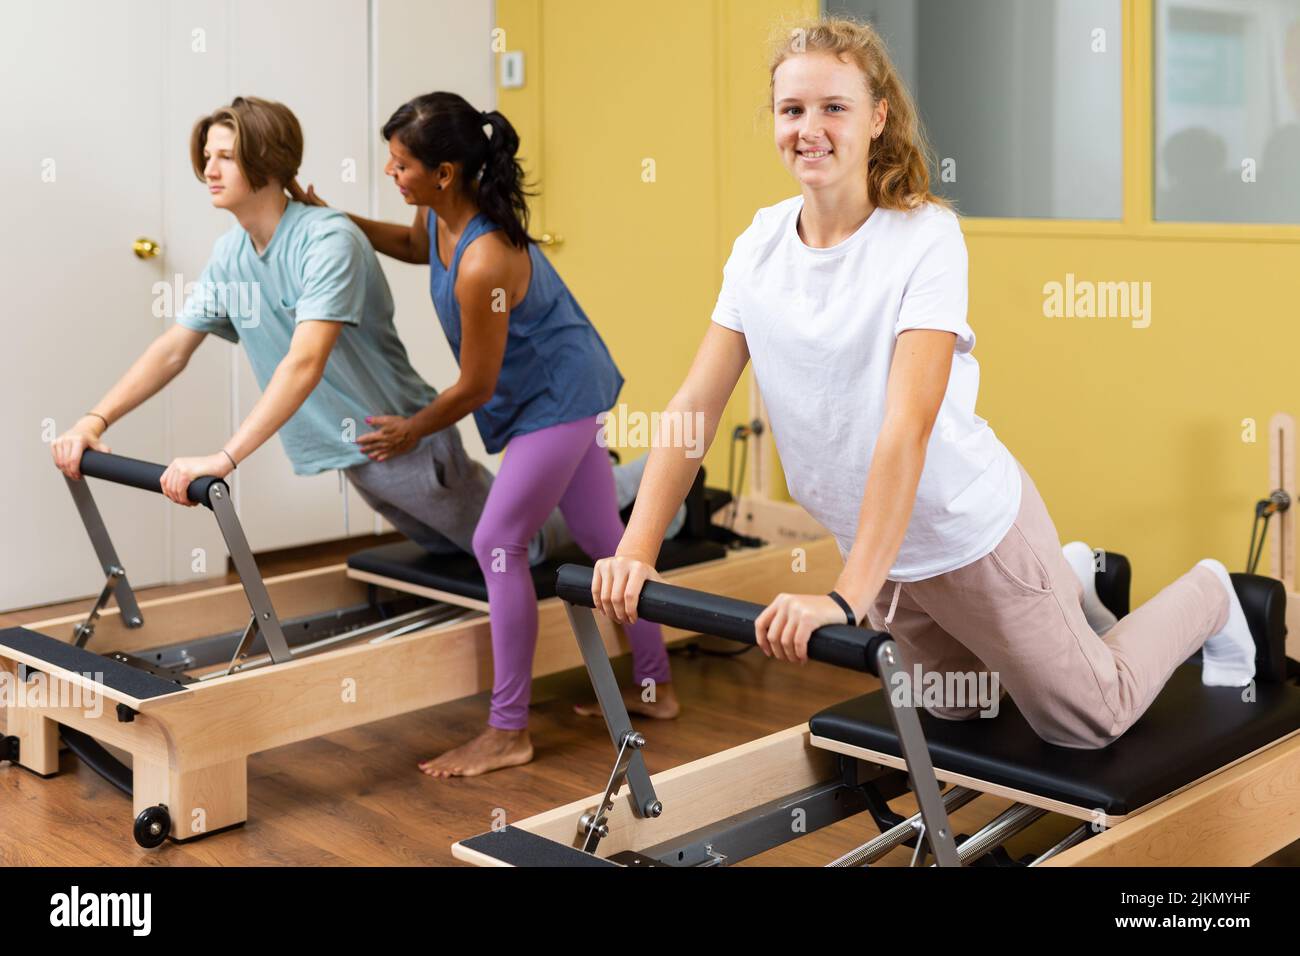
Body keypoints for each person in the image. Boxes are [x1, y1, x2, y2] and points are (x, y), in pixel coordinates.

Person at [589, 17, 1256, 751]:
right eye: (792, 110)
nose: (810, 129)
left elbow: (906, 426)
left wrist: (845, 597)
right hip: (883, 553)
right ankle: (1069, 582)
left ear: (877, 118)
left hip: (967, 535)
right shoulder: (759, 245)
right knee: (957, 711)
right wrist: (637, 548)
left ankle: (1208, 595)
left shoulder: (924, 237)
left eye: (834, 108)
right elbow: (696, 404)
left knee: (1087, 720)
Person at [48, 95, 683, 589]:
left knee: (526, 543)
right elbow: (175, 348)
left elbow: (304, 361)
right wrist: (94, 418)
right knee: (451, 550)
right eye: (206, 155)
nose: (207, 169)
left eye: (224, 156)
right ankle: (610, 480)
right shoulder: (233, 253)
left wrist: (224, 457)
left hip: (405, 443)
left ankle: (654, 494)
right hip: (354, 454)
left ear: (267, 162)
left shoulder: (325, 243)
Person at [296, 92, 678, 777]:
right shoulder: (439, 217)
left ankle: (508, 731)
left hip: (559, 399)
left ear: (445, 172)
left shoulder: (485, 262)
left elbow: (475, 385)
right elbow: (415, 246)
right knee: (601, 540)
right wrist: (334, 217)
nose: (391, 171)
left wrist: (412, 430)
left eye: (401, 162)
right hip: (559, 385)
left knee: (498, 542)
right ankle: (656, 689)